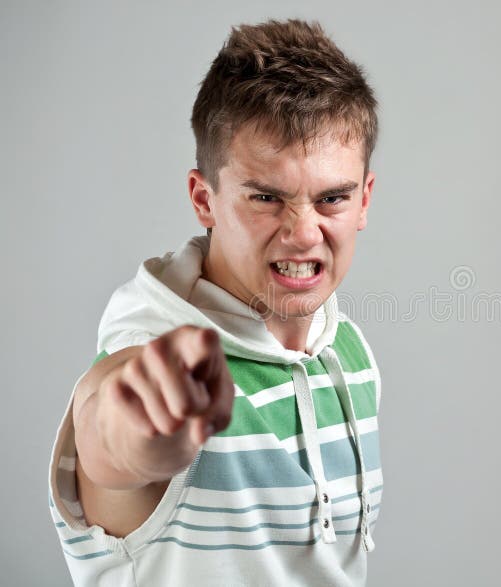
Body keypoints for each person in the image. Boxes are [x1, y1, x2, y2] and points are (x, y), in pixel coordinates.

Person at [48, 19, 383, 586]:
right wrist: (133, 431)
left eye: (332, 198)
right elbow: (108, 430)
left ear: (364, 199)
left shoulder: (347, 348)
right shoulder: (155, 349)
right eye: (266, 198)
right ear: (205, 199)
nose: (304, 233)